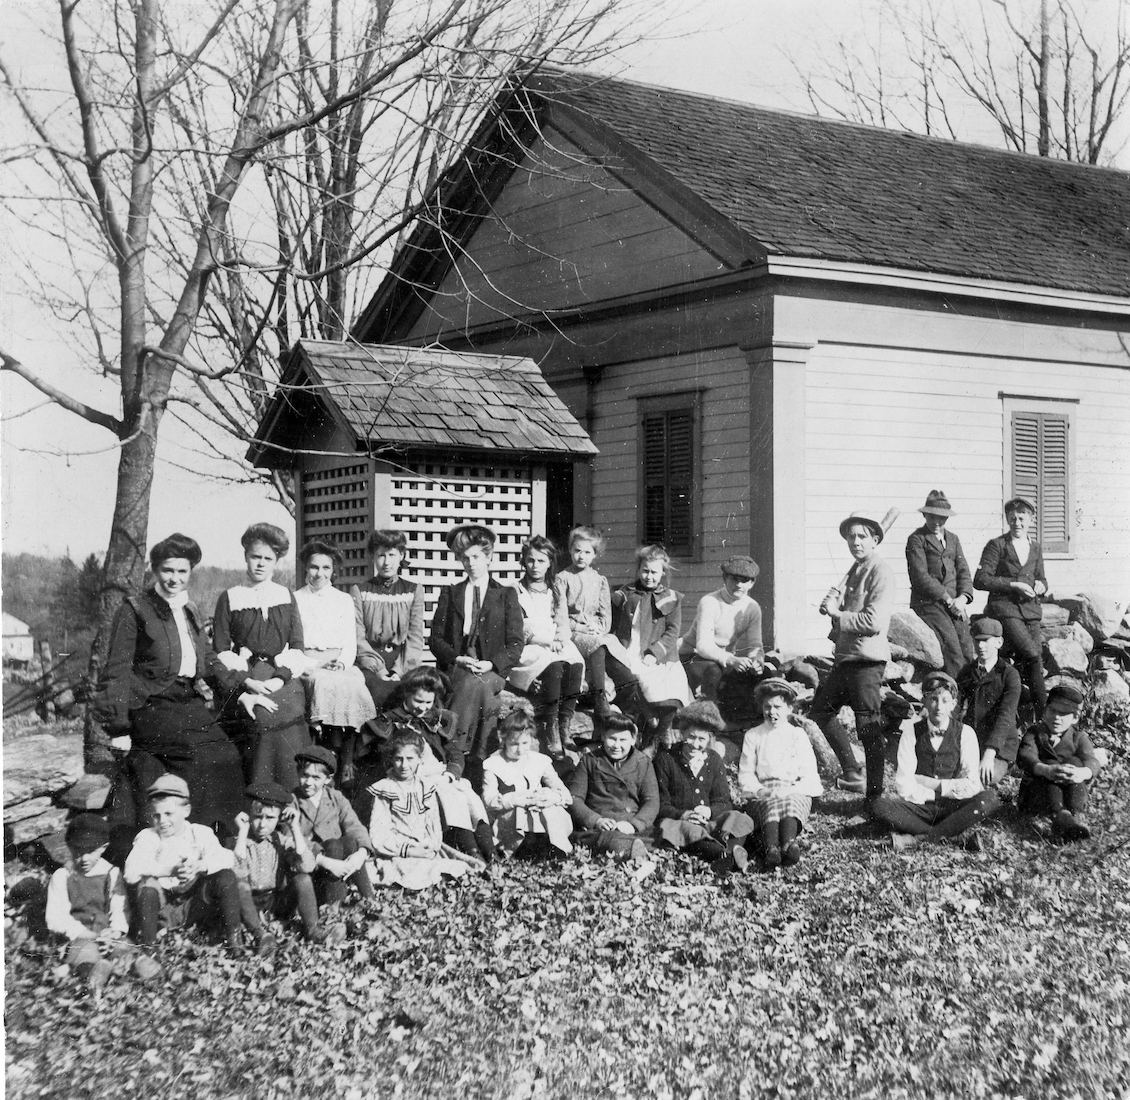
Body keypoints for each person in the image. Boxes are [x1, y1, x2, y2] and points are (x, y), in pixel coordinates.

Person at [99, 533, 244, 836]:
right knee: (196, 756)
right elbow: (116, 670)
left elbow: (206, 659)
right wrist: (119, 727)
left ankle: (221, 837)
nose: (174, 578)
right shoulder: (135, 609)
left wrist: (243, 690)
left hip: (186, 702)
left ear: (191, 572)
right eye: (167, 570)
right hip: (150, 705)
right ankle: (188, 838)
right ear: (154, 569)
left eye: (182, 571)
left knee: (227, 754)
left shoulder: (189, 610)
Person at [210, 523, 310, 792]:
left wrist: (280, 679)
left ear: (276, 562)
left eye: (268, 559)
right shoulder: (230, 597)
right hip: (245, 676)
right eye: (256, 557)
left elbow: (298, 645)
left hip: (282, 675)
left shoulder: (285, 596)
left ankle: (293, 793)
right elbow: (219, 650)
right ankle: (261, 792)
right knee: (264, 715)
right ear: (245, 556)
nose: (261, 564)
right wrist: (246, 682)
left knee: (290, 709)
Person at [359, 669, 494, 863]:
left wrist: (450, 774)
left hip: (441, 774)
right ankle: (472, 852)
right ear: (406, 695)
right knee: (451, 797)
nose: (423, 708)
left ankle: (489, 849)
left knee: (469, 795)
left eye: (428, 702)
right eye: (418, 701)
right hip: (413, 780)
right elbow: (386, 759)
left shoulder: (436, 720)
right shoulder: (389, 723)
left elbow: (454, 753)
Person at [810, 510, 896, 798]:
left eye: (862, 536)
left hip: (867, 662)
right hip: (846, 659)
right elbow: (847, 620)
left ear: (874, 540)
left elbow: (873, 622)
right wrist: (834, 609)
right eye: (851, 536)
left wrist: (837, 612)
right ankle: (851, 772)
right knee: (821, 711)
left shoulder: (880, 571)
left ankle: (874, 797)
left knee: (868, 728)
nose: (855, 541)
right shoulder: (856, 571)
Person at [870, 672, 1002, 851]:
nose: (939, 707)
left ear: (953, 704)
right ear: (924, 701)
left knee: (989, 799)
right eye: (933, 699)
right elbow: (904, 784)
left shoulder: (966, 733)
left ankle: (919, 839)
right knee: (878, 805)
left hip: (954, 806)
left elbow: (972, 785)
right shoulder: (912, 732)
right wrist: (932, 794)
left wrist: (932, 784)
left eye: (945, 701)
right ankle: (953, 837)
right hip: (920, 807)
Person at [428, 524, 524, 766]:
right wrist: (457, 658)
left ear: (489, 557)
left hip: (491, 669)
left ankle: (453, 750)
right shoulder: (451, 593)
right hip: (457, 667)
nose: (470, 563)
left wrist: (492, 662)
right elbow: (436, 640)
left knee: (478, 683)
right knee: (479, 691)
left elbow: (515, 644)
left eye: (476, 557)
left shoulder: (505, 595)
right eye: (464, 558)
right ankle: (479, 757)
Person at [123, 775, 243, 952]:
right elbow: (130, 871)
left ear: (186, 811)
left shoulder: (199, 833)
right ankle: (150, 948)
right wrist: (168, 870)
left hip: (194, 905)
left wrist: (202, 865)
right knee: (147, 885)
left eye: (169, 814)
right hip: (164, 908)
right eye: (156, 815)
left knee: (226, 876)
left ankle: (234, 940)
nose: (162, 821)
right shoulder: (149, 837)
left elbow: (228, 858)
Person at [595, 545, 691, 747]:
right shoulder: (624, 594)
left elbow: (672, 631)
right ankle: (648, 715)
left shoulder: (671, 598)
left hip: (659, 653)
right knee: (633, 678)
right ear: (638, 570)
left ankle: (662, 730)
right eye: (645, 571)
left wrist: (655, 653)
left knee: (672, 683)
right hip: (629, 648)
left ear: (662, 573)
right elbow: (609, 618)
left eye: (654, 572)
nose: (649, 577)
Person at [229, 781, 339, 952]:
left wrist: (295, 828)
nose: (263, 824)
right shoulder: (239, 842)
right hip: (248, 903)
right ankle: (260, 936)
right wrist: (242, 833)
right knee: (239, 884)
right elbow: (235, 872)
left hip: (275, 901)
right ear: (249, 815)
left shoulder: (281, 840)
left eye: (270, 818)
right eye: (258, 817)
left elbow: (308, 866)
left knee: (302, 878)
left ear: (280, 818)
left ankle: (313, 929)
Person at [293, 539, 377, 759]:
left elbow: (349, 641)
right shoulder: (295, 599)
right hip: (309, 664)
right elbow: (292, 644)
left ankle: (347, 756)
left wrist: (341, 663)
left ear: (333, 570)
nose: (319, 573)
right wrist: (316, 664)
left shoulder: (343, 600)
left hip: (339, 663)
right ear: (305, 567)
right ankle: (326, 751)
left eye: (326, 567)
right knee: (322, 683)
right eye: (314, 567)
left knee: (353, 683)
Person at [367, 730, 482, 887]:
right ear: (391, 759)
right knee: (411, 871)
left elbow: (433, 825)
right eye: (399, 759)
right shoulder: (385, 790)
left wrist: (430, 847)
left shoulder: (426, 787)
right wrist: (409, 850)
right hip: (398, 851)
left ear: (420, 760)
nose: (404, 765)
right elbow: (378, 834)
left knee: (465, 866)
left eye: (410, 759)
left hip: (425, 848)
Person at [653, 700, 753, 873]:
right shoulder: (666, 759)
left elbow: (723, 801)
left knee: (740, 818)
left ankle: (729, 854)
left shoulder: (713, 759)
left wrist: (709, 812)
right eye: (691, 737)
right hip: (681, 823)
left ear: (709, 738)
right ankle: (727, 855)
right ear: (683, 733)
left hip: (709, 821)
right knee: (683, 830)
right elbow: (661, 803)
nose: (695, 744)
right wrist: (683, 814)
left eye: (701, 739)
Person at [507, 536, 585, 757]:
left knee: (575, 662)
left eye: (541, 561)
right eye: (530, 560)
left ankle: (565, 725)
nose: (535, 566)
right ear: (524, 562)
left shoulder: (555, 588)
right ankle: (551, 727)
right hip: (530, 644)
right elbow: (515, 625)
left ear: (550, 562)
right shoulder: (515, 590)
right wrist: (539, 639)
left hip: (554, 640)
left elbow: (562, 618)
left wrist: (561, 637)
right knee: (555, 665)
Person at [974, 497, 1048, 718]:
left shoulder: (1035, 548)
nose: (1017, 523)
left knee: (1035, 662)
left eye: (1022, 518)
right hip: (1004, 609)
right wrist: (1012, 585)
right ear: (1007, 519)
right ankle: (1044, 717)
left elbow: (1042, 578)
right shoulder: (997, 545)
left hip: (1030, 612)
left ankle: (1023, 715)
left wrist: (1041, 585)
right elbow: (981, 579)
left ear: (1031, 520)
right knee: (1033, 656)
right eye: (1012, 518)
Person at [737, 679, 822, 868]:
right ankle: (772, 848)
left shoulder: (797, 735)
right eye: (767, 706)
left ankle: (789, 843)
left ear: (789, 708)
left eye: (777, 707)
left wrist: (792, 789)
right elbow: (746, 773)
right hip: (764, 789)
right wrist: (759, 790)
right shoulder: (753, 735)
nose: (772, 712)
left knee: (790, 801)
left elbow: (809, 773)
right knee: (770, 802)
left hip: (793, 788)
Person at [481, 707, 574, 859]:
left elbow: (564, 792)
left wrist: (552, 797)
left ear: (531, 738)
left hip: (538, 814)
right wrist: (515, 799)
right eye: (514, 744)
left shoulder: (538, 760)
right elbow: (488, 800)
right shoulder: (493, 764)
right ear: (503, 739)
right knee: (519, 812)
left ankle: (555, 847)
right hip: (511, 818)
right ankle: (520, 848)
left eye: (525, 743)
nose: (520, 749)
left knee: (551, 808)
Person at [679, 556, 764, 718]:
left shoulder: (752, 608)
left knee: (760, 674)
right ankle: (709, 720)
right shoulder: (710, 601)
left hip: (721, 658)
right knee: (713, 670)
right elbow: (703, 646)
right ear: (725, 578)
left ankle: (744, 722)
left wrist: (756, 660)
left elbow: (755, 645)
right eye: (734, 579)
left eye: (744, 580)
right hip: (692, 655)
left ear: (752, 583)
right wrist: (731, 659)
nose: (738, 585)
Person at [351, 529, 424, 712]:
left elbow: (415, 638)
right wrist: (380, 670)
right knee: (377, 691)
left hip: (403, 662)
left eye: (392, 555)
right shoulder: (360, 591)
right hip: (370, 662)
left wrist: (399, 671)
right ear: (373, 557)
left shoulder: (414, 590)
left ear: (401, 555)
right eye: (381, 555)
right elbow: (357, 636)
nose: (387, 562)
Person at [1017, 682, 1101, 841]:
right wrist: (1046, 770)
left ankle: (1069, 816)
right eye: (1052, 711)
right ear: (1045, 710)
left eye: (1063, 714)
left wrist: (1080, 773)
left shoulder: (1079, 737)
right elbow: (1025, 756)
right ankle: (1060, 817)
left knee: (1075, 761)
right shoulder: (1035, 733)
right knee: (1049, 762)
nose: (1056, 717)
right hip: (1039, 794)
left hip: (1071, 794)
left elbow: (1092, 761)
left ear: (1075, 718)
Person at [292, 746, 375, 907]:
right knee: (333, 844)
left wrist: (362, 853)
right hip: (311, 864)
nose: (308, 782)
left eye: (316, 778)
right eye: (304, 776)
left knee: (350, 841)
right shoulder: (291, 801)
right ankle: (333, 909)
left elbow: (355, 826)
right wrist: (326, 862)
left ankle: (370, 899)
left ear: (328, 779)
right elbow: (289, 838)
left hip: (338, 864)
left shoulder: (335, 797)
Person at [567, 718, 659, 863]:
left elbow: (652, 801)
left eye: (623, 740)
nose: (617, 745)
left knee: (661, 833)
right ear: (603, 736)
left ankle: (632, 847)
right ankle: (634, 850)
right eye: (612, 738)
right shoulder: (589, 760)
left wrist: (633, 825)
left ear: (633, 740)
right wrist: (596, 820)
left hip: (631, 826)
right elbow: (574, 798)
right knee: (607, 839)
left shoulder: (643, 762)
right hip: (601, 828)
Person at [905, 490, 975, 677]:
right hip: (930, 603)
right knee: (953, 651)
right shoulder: (917, 539)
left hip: (955, 604)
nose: (937, 523)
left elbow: (964, 571)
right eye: (933, 517)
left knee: (968, 650)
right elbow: (920, 577)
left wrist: (962, 598)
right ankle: (953, 700)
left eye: (942, 518)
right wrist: (947, 598)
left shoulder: (953, 539)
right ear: (925, 515)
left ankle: (968, 698)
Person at [956, 618, 1022, 787]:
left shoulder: (1009, 675)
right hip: (972, 742)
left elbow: (1005, 717)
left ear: (999, 642)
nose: (981, 646)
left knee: (984, 778)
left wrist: (989, 754)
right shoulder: (967, 672)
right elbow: (955, 706)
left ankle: (1007, 766)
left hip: (1000, 747)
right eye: (977, 641)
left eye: (986, 641)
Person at [556, 526, 612, 719]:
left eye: (587, 552)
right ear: (570, 550)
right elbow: (560, 616)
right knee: (598, 645)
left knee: (613, 649)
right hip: (572, 632)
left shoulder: (600, 580)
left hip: (595, 632)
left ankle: (628, 705)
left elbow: (606, 616)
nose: (581, 556)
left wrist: (598, 627)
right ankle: (600, 701)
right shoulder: (562, 579)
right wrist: (580, 627)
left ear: (595, 555)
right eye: (577, 550)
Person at [46, 815, 128, 942]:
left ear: (103, 847)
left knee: (125, 951)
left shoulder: (112, 873)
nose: (84, 858)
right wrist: (92, 936)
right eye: (78, 851)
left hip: (107, 934)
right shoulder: (63, 876)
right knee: (88, 955)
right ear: (69, 847)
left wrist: (115, 932)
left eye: (90, 851)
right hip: (79, 937)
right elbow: (57, 918)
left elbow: (119, 909)